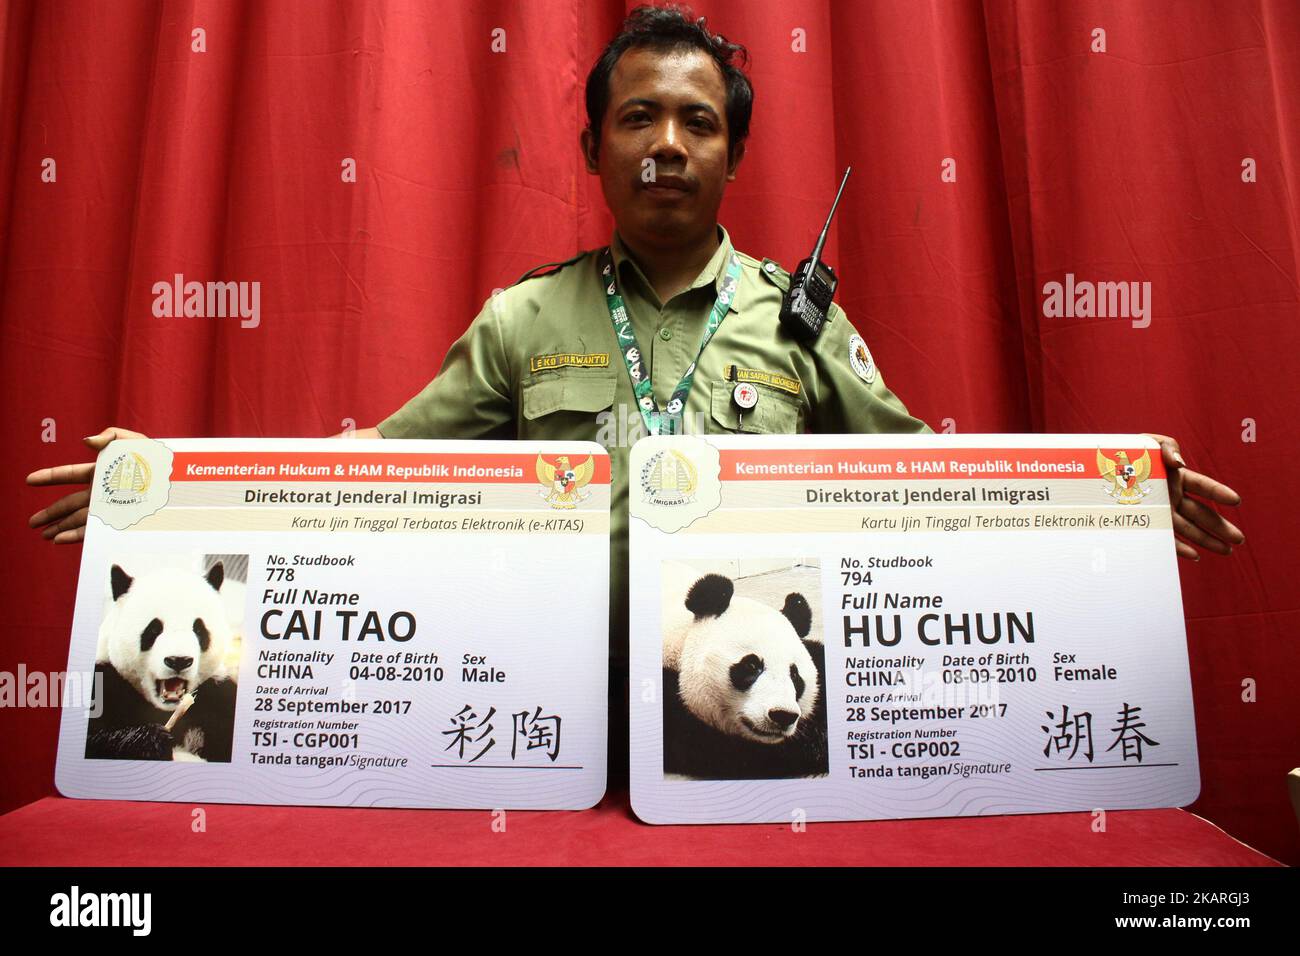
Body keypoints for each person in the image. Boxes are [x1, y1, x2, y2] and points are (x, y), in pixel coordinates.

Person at [26, 5, 1244, 775]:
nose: (667, 141)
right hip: (543, 719)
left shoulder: (799, 319)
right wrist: (169, 490)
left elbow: (923, 483)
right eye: (638, 116)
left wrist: (1113, 502)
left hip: (745, 722)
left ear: (732, 151)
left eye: (697, 121)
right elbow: (372, 479)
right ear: (594, 147)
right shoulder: (521, 318)